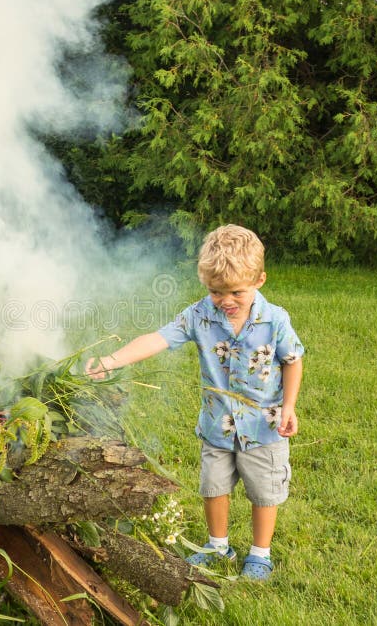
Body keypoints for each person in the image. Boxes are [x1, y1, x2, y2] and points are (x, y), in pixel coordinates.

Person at [85, 224, 303, 580]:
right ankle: (218, 545)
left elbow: (292, 360)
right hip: (217, 425)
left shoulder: (275, 321)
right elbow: (157, 339)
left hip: (265, 427)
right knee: (213, 486)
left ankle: (259, 554)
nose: (227, 301)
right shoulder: (200, 315)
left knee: (264, 490)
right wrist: (111, 361)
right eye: (217, 291)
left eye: (236, 291)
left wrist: (290, 405)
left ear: (260, 280)